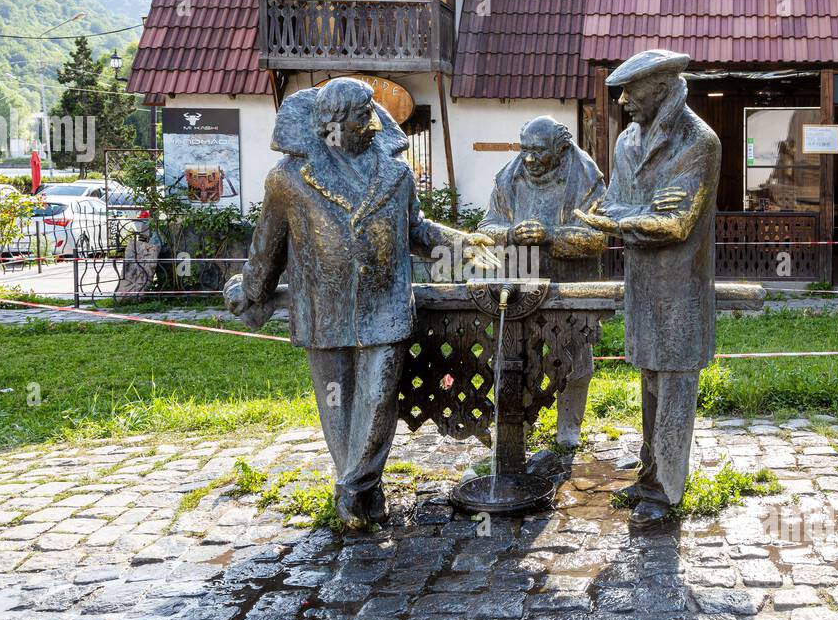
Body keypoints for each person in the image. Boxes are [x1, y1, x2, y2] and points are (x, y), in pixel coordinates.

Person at [225, 78, 495, 529]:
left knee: (378, 397)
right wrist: (250, 291)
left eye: (372, 113)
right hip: (323, 311)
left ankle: (353, 489)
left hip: (384, 306)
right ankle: (361, 491)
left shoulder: (396, 174)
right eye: (361, 115)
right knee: (338, 405)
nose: (373, 122)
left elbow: (418, 231)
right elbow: (267, 246)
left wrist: (461, 244)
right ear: (332, 124)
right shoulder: (289, 180)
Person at [575, 49, 720, 524]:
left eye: (631, 92)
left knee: (676, 383)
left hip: (681, 288)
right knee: (651, 380)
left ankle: (667, 492)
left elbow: (676, 223)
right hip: (642, 284)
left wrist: (621, 221)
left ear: (659, 89)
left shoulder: (699, 142)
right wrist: (626, 218)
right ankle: (650, 471)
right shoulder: (626, 142)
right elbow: (619, 204)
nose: (622, 102)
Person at [478, 116, 606, 448]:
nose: (530, 159)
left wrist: (550, 235)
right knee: (516, 358)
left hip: (572, 284)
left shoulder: (586, 180)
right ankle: (517, 423)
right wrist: (509, 233)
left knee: (576, 358)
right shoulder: (509, 178)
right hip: (520, 284)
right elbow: (485, 229)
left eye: (538, 151)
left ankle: (569, 426)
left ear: (561, 149)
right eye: (525, 150)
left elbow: (597, 237)